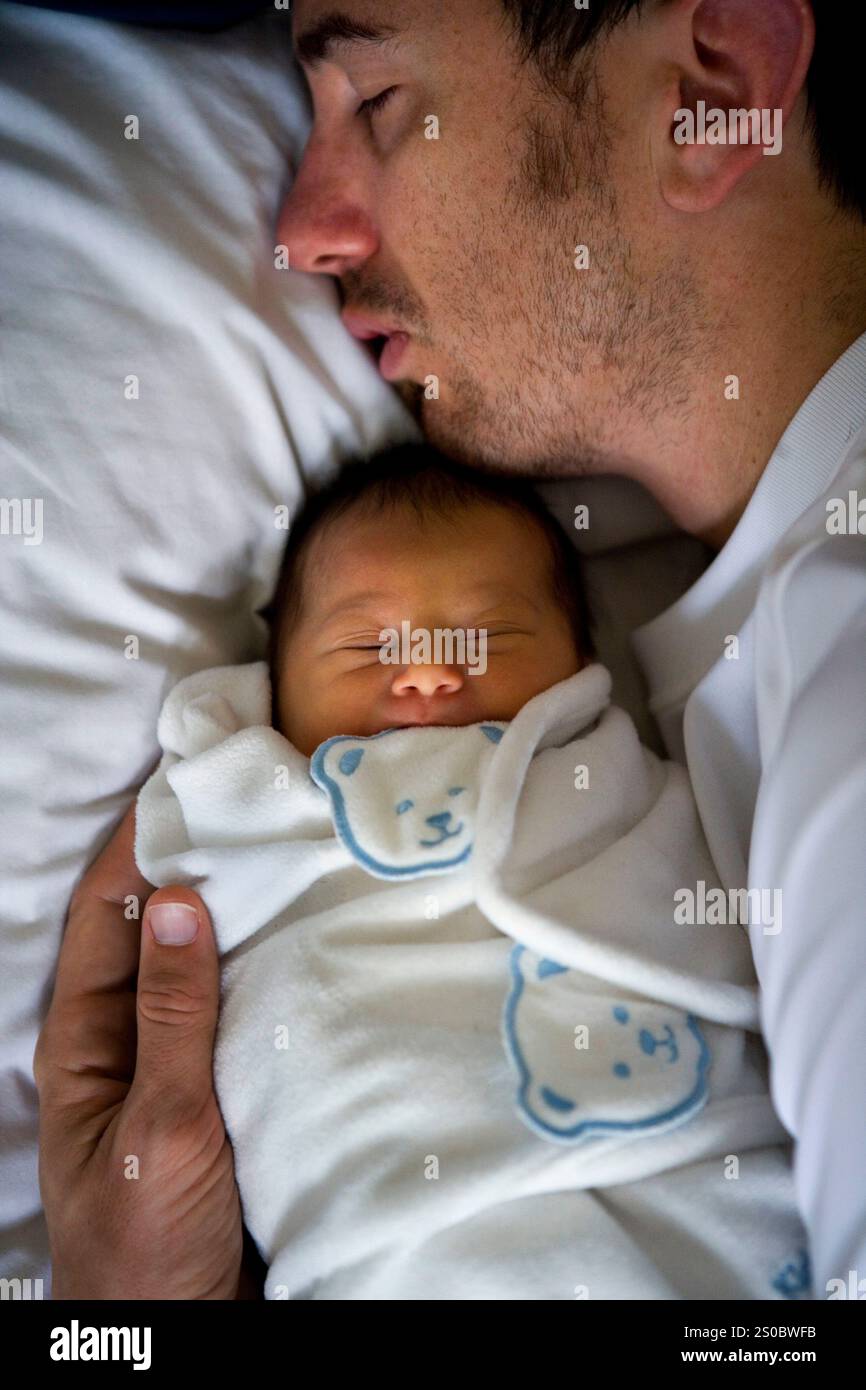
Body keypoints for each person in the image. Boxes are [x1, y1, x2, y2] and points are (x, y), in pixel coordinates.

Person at [37, 0, 865, 1298]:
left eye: (376, 102)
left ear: (711, 90)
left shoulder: (846, 673)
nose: (301, 234)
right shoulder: (760, 641)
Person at [133, 446, 806, 1300]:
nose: (428, 670)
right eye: (371, 644)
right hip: (395, 1238)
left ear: (580, 668)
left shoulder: (627, 784)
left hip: (683, 1173)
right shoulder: (261, 808)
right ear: (273, 688)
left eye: (487, 636)